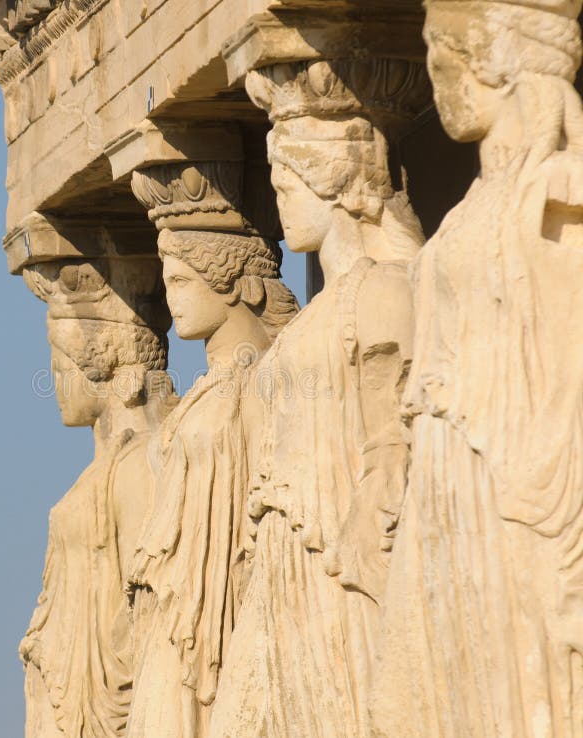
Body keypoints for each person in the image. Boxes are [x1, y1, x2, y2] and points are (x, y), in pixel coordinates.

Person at [371, 3, 583, 736]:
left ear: (498, 61)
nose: (436, 80)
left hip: (514, 470)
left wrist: (539, 477)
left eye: (442, 56)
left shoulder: (559, 189)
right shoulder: (465, 212)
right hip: (445, 476)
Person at [209, 59, 427, 738]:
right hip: (280, 558)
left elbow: (393, 440)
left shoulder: (382, 290)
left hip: (336, 551)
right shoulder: (311, 318)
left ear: (329, 180)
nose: (279, 201)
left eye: (285, 181)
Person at [126, 228, 298, 738]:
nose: (172, 297)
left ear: (227, 281)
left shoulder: (263, 378)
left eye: (180, 279)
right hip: (177, 602)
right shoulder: (206, 390)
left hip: (222, 601)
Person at [19, 258, 175, 738]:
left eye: (62, 364)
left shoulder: (140, 464)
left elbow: (145, 597)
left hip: (114, 691)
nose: (53, 378)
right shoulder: (97, 475)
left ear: (103, 368)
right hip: (68, 686)